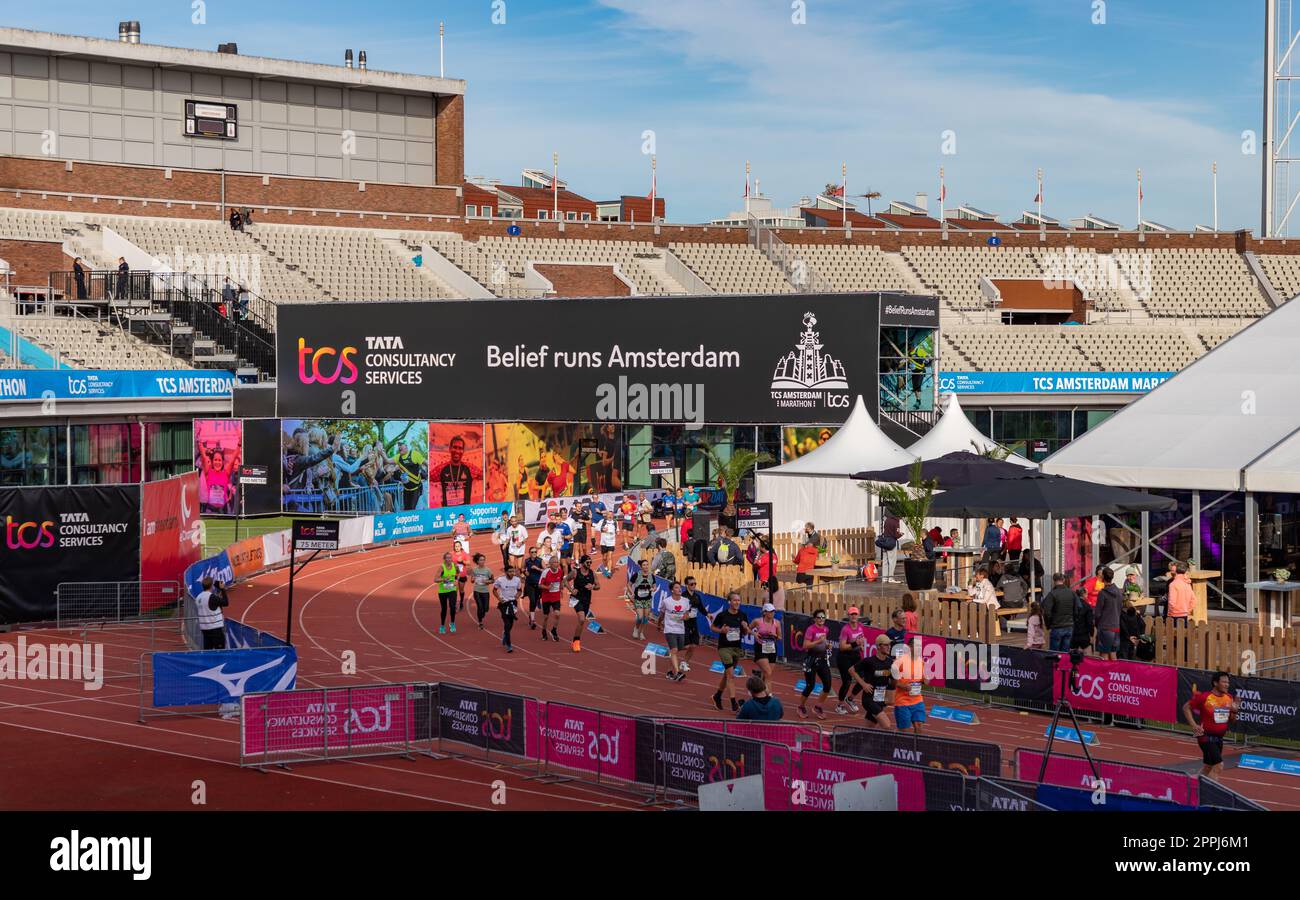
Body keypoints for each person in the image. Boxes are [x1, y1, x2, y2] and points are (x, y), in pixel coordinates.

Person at [1183, 672, 1237, 781]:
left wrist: (1234, 712)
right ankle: (1209, 793)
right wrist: (1194, 725)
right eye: (1224, 682)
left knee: (1208, 766)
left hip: (1219, 739)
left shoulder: (1229, 698)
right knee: (1218, 765)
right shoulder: (1205, 697)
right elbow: (1186, 707)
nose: (1227, 685)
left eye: (1228, 682)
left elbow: (1232, 720)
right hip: (1206, 737)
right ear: (1215, 683)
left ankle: (1193, 786)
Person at [711, 592, 750, 711]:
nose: (737, 602)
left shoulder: (743, 615)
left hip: (736, 648)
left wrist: (745, 627)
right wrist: (721, 631)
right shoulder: (722, 615)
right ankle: (734, 703)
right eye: (734, 600)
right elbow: (712, 627)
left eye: (739, 600)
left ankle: (717, 696)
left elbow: (746, 633)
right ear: (729, 602)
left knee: (727, 674)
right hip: (724, 647)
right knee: (731, 676)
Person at [848, 634, 897, 728]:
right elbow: (851, 670)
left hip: (880, 700)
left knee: (869, 729)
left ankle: (857, 742)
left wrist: (896, 675)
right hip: (869, 699)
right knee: (887, 725)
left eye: (889, 645)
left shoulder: (890, 663)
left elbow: (893, 683)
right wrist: (863, 684)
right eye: (886, 645)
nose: (889, 647)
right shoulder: (869, 661)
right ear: (879, 646)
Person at [798, 609, 833, 720]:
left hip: (822, 659)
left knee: (827, 685)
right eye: (819, 617)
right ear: (814, 619)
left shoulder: (825, 629)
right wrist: (818, 641)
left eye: (823, 617)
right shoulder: (811, 629)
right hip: (811, 660)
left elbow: (824, 642)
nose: (821, 619)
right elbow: (805, 645)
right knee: (810, 685)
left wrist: (827, 645)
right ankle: (801, 706)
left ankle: (818, 707)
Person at [835, 607, 869, 715]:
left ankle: (850, 699)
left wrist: (861, 646)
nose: (854, 616)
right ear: (848, 616)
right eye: (851, 614)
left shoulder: (860, 627)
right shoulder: (846, 629)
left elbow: (861, 639)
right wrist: (855, 644)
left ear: (858, 616)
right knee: (847, 681)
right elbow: (842, 647)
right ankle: (839, 705)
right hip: (844, 657)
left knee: (863, 678)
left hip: (855, 655)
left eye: (855, 614)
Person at [891, 641, 930, 733]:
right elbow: (891, 681)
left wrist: (926, 679)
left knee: (919, 726)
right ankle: (898, 746)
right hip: (902, 701)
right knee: (903, 729)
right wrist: (903, 686)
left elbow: (925, 680)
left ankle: (916, 747)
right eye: (916, 646)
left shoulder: (921, 663)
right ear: (909, 647)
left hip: (917, 700)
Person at [655, 581, 690, 682]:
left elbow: (687, 615)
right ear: (672, 590)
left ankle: (670, 671)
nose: (679, 589)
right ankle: (678, 672)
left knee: (678, 650)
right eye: (677, 588)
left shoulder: (685, 601)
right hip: (669, 629)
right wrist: (659, 624)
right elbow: (661, 614)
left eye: (680, 588)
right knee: (674, 650)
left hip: (680, 629)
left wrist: (685, 617)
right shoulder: (667, 601)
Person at [568, 555, 600, 652]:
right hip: (576, 599)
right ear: (582, 563)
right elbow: (565, 580)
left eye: (591, 562)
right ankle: (576, 642)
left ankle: (575, 640)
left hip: (586, 600)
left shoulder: (592, 573)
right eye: (588, 562)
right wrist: (571, 589)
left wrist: (593, 587)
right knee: (581, 619)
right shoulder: (575, 572)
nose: (589, 564)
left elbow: (598, 586)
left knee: (582, 622)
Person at [1041, 573, 1076, 652]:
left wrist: (1048, 624)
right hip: (1069, 625)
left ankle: (1055, 664)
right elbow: (1078, 608)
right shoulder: (1072, 593)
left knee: (1054, 654)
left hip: (1057, 626)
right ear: (1063, 580)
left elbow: (1046, 612)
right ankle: (1063, 664)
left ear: (1054, 581)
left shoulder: (1052, 594)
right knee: (1065, 653)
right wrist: (1073, 620)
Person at [493, 563, 523, 652]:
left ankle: (505, 634)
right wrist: (499, 598)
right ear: (506, 572)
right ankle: (509, 645)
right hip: (504, 604)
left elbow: (520, 591)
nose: (512, 573)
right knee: (506, 624)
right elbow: (494, 590)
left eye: (513, 571)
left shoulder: (517, 580)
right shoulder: (500, 580)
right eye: (510, 571)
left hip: (513, 603)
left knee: (511, 623)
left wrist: (516, 597)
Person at [1093, 568, 1123, 660]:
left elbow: (1097, 613)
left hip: (1105, 626)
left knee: (1104, 654)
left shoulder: (1102, 593)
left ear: (1102, 577)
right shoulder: (1119, 592)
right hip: (1116, 626)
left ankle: (1104, 674)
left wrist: (1096, 624)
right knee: (1113, 653)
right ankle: (1114, 673)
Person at [680, 575, 708, 671]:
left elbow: (701, 608)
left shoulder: (697, 596)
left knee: (694, 645)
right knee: (686, 646)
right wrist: (684, 614)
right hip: (684, 623)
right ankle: (673, 650)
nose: (694, 585)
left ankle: (684, 662)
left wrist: (708, 614)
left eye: (695, 583)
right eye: (691, 584)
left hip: (693, 622)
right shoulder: (683, 596)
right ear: (687, 585)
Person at [750, 603, 781, 685]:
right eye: (770, 611)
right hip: (760, 648)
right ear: (764, 612)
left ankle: (757, 685)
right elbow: (747, 630)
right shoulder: (757, 621)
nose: (772, 613)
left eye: (773, 611)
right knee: (768, 672)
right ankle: (768, 695)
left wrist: (774, 635)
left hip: (772, 649)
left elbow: (780, 637)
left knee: (768, 674)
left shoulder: (777, 623)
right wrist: (755, 634)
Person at [195, 576, 228, 649]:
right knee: (220, 652)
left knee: (208, 652)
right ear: (211, 586)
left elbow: (210, 606)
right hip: (215, 628)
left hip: (205, 629)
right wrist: (223, 589)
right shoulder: (211, 597)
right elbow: (226, 602)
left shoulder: (198, 597)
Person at [538, 555, 565, 642]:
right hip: (546, 597)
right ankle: (544, 631)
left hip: (556, 596)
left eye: (557, 562)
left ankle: (554, 630)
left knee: (557, 614)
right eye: (554, 562)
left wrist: (561, 589)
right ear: (550, 564)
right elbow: (539, 585)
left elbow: (561, 580)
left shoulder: (560, 571)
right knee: (546, 617)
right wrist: (547, 587)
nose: (556, 564)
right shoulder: (545, 572)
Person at [436, 552, 459, 635]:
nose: (449, 559)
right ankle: (442, 625)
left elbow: (457, 573)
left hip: (452, 589)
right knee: (444, 609)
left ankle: (452, 623)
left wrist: (456, 580)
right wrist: (443, 579)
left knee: (452, 607)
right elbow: (435, 579)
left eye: (450, 558)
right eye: (447, 558)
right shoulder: (441, 568)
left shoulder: (455, 566)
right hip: (443, 591)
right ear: (444, 559)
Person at [470, 553, 494, 629]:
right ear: (477, 561)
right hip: (477, 591)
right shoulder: (474, 570)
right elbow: (472, 580)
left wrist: (488, 582)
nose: (482, 561)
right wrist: (473, 579)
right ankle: (480, 622)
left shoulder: (488, 570)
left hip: (485, 591)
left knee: (486, 609)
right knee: (480, 607)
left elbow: (493, 580)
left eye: (483, 560)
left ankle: (482, 614)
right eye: (481, 560)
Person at [630, 567, 655, 639]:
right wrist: (632, 593)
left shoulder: (651, 576)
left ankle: (641, 632)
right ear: (641, 567)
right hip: (638, 599)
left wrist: (653, 589)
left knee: (646, 618)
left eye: (647, 564)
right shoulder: (636, 575)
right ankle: (636, 628)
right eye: (644, 565)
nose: (646, 566)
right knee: (640, 617)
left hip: (647, 599)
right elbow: (629, 584)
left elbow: (654, 586)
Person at [878, 511, 902, 583]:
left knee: (885, 561)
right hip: (891, 543)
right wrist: (901, 534)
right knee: (892, 561)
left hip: (885, 542)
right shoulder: (896, 522)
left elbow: (885, 531)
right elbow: (896, 535)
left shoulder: (887, 520)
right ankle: (890, 578)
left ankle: (884, 578)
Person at [1070, 584, 1095, 652]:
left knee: (1072, 656)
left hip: (1073, 633)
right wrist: (1091, 634)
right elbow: (1090, 622)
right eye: (1086, 594)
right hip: (1083, 634)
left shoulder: (1072, 605)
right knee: (1088, 656)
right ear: (1083, 594)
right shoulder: (1087, 606)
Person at [452, 541, 472, 611]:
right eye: (456, 546)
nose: (457, 547)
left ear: (461, 547)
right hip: (454, 575)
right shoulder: (452, 554)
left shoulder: (464, 554)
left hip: (462, 574)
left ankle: (461, 602)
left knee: (461, 590)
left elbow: (469, 562)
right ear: (454, 547)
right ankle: (455, 605)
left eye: (458, 546)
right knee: (454, 590)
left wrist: (462, 561)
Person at [598, 513, 618, 578]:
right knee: (604, 558)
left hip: (611, 542)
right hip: (603, 542)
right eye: (609, 515)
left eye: (611, 515)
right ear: (606, 515)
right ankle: (606, 567)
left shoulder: (615, 522)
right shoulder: (602, 521)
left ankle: (609, 572)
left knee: (610, 557)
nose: (610, 516)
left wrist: (617, 532)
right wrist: (602, 529)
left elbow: (617, 530)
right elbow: (596, 528)